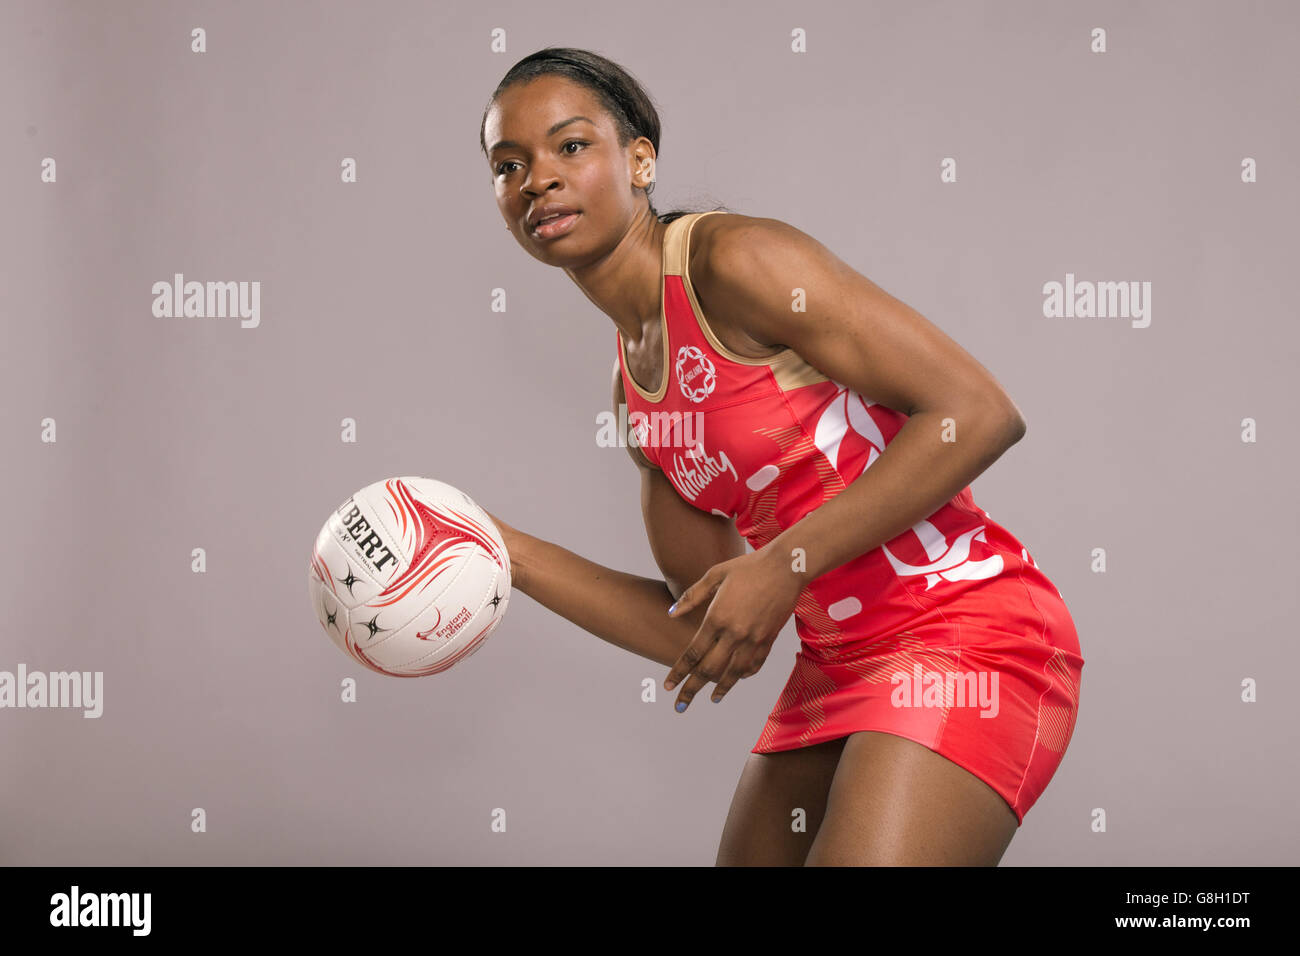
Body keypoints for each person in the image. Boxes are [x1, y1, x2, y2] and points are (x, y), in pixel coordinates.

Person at [478, 47, 1084, 866]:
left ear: (641, 160)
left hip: (968, 631)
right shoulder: (637, 393)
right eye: (508, 164)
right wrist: (499, 550)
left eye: (571, 146)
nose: (537, 179)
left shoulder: (731, 263)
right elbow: (696, 625)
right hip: (835, 668)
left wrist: (786, 563)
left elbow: (977, 413)